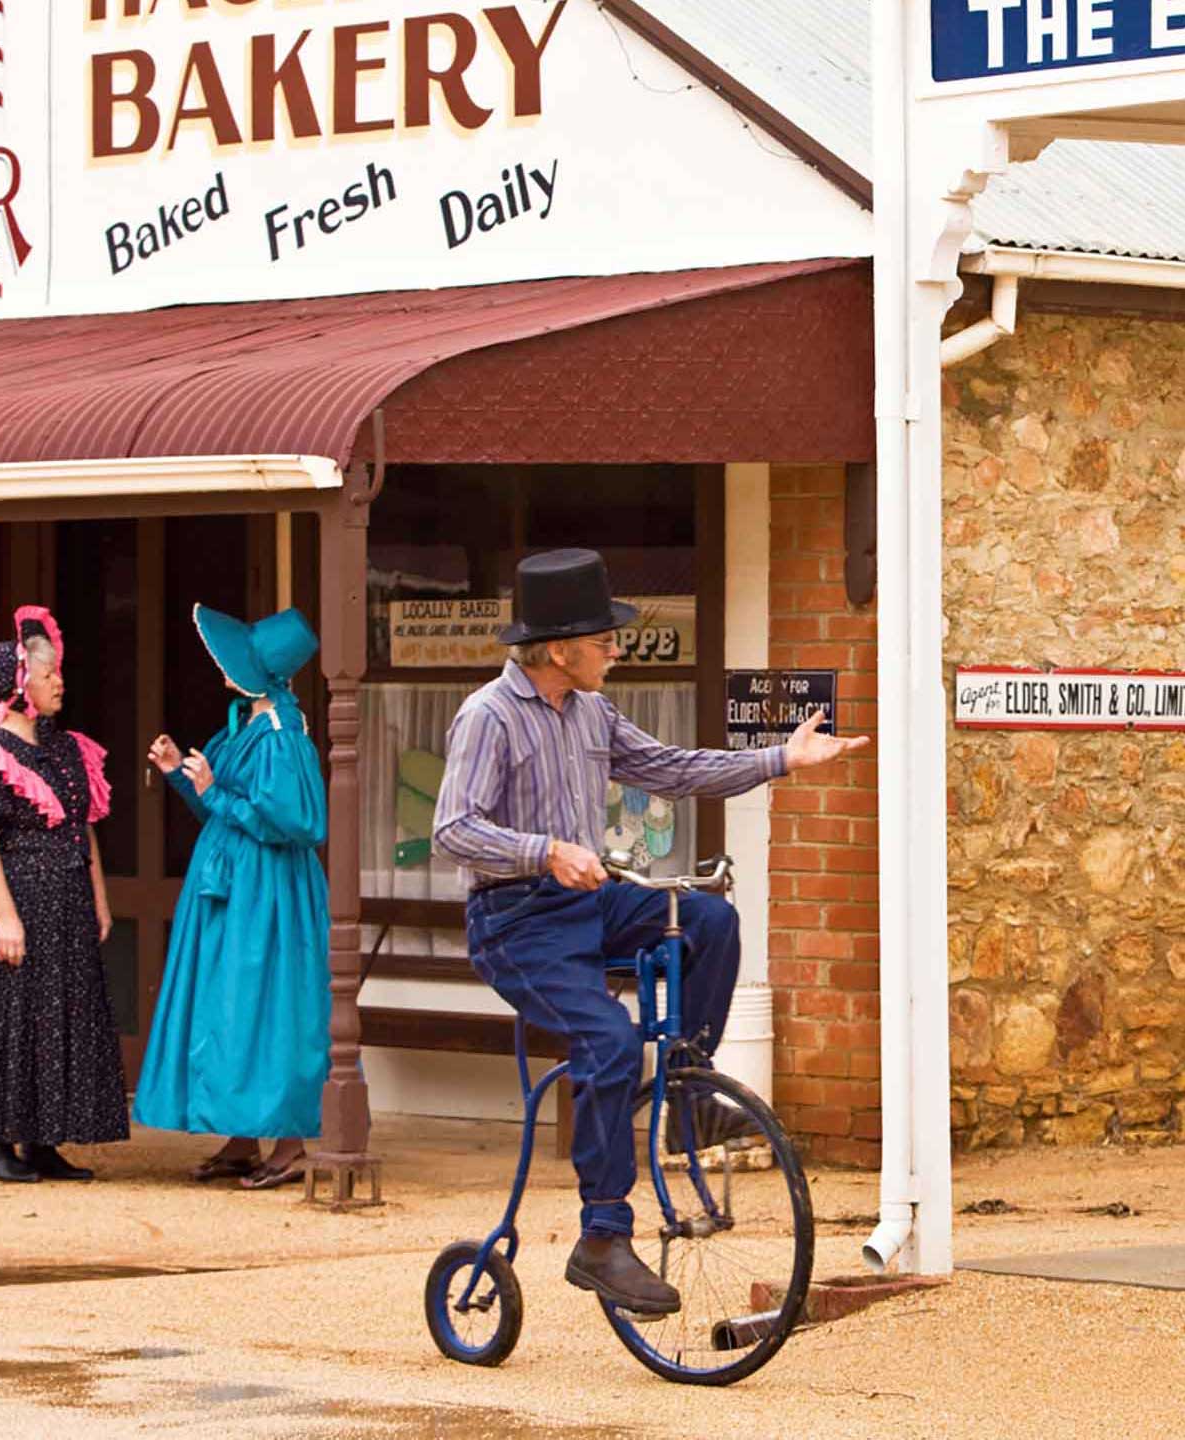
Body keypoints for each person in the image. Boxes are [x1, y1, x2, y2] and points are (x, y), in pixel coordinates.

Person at [434, 548, 867, 1318]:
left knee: (709, 920)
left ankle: (686, 1095)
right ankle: (602, 1235)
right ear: (559, 649)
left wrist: (781, 760)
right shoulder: (488, 717)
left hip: (584, 902)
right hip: (514, 922)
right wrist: (545, 850)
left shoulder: (592, 712)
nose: (617, 650)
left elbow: (670, 769)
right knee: (606, 1037)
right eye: (605, 640)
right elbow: (453, 829)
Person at [133, 606, 329, 1191]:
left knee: (267, 1006)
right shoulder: (248, 723)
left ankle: (289, 1145)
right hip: (234, 884)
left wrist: (214, 793)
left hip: (266, 893)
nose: (223, 668)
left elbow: (293, 823)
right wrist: (179, 775)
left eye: (234, 661)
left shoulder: (281, 735)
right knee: (229, 1007)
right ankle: (244, 1138)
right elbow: (219, 804)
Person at [0, 606, 127, 1182]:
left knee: (63, 1017)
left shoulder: (67, 749)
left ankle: (44, 1142)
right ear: (20, 688)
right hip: (19, 899)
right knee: (11, 1018)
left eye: (58, 674)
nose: (58, 683)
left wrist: (99, 899)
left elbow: (84, 825)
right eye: (48, 677)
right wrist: (7, 920)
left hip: (67, 900)